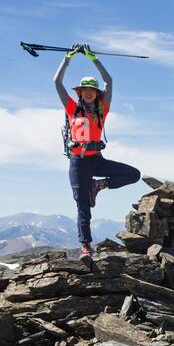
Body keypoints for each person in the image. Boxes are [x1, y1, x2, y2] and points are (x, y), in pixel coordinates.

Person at [55, 43, 140, 257]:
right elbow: (57, 82)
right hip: (77, 163)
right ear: (80, 92)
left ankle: (99, 184)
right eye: (85, 90)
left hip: (96, 160)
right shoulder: (72, 108)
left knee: (133, 174)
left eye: (92, 90)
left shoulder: (103, 109)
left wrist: (93, 59)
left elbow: (109, 81)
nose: (88, 93)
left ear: (96, 93)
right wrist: (67, 59)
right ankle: (86, 246)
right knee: (83, 206)